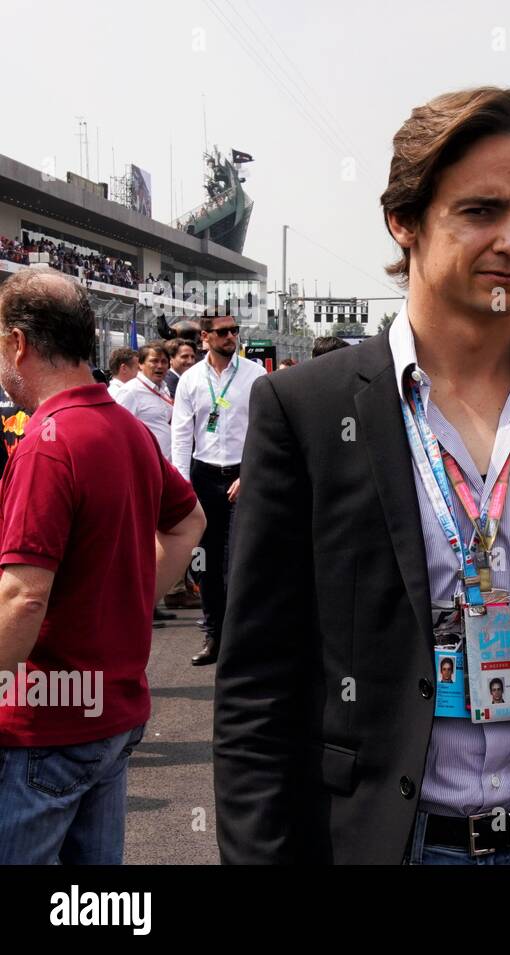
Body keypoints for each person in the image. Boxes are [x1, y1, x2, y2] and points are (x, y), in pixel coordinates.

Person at [212, 86, 510, 865]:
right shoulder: (305, 410)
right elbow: (257, 689)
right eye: (480, 211)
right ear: (405, 220)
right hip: (389, 842)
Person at [0, 268, 205, 864]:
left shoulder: (46, 441)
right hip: (111, 711)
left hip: (45, 722)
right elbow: (189, 522)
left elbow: (23, 598)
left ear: (19, 343)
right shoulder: (127, 428)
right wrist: (134, 597)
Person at [172, 313, 267, 666]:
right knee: (207, 562)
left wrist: (251, 473)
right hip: (204, 476)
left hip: (244, 474)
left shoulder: (255, 375)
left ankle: (244, 638)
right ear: (205, 339)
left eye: (234, 331)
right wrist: (183, 484)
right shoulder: (190, 380)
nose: (231, 336)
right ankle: (214, 636)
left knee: (241, 559)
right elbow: (182, 435)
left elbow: (263, 429)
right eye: (222, 332)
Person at [115, 340, 174, 461]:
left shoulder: (164, 389)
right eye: (154, 361)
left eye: (164, 362)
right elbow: (119, 431)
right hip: (147, 464)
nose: (160, 366)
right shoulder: (130, 391)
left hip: (168, 464)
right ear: (140, 365)